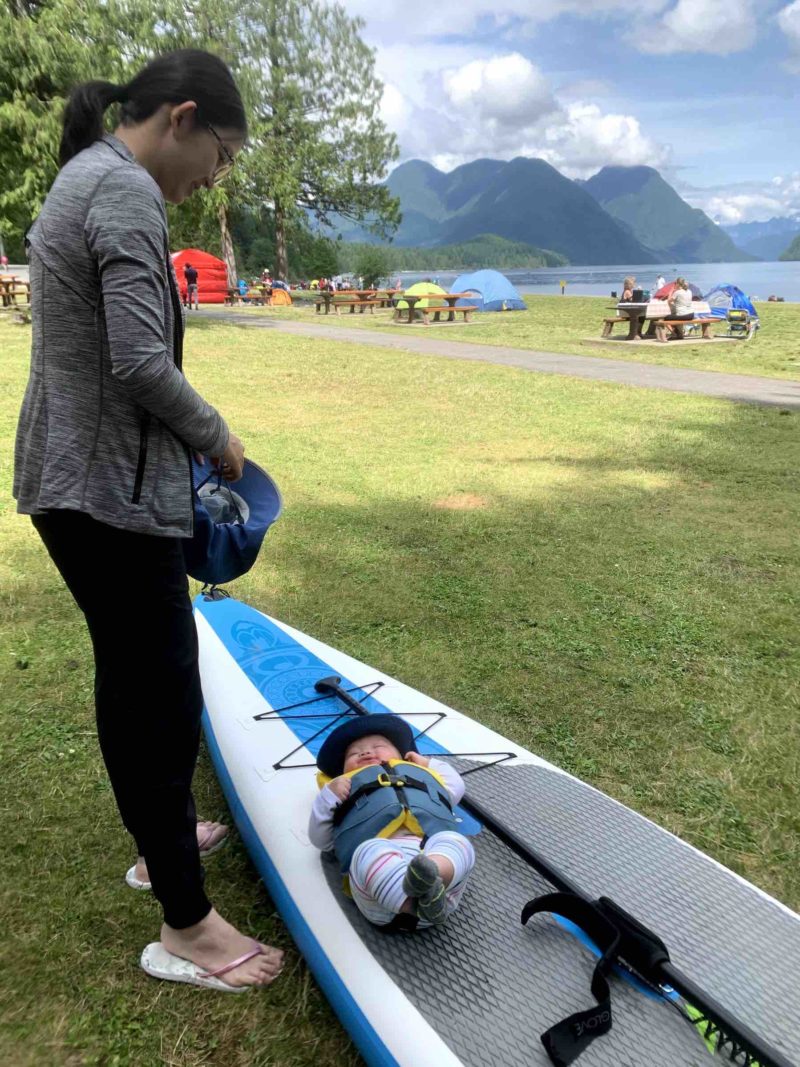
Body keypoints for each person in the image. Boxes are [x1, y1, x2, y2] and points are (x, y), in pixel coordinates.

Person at [13, 48, 283, 993]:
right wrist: (218, 434)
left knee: (138, 676)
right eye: (221, 152)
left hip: (81, 480)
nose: (218, 176)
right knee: (158, 684)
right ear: (181, 117)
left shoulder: (85, 175)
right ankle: (186, 923)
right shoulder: (123, 191)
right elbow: (138, 360)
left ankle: (157, 844)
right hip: (106, 491)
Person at [308, 714, 475, 929]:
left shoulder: (424, 777)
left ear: (404, 757)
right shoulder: (342, 791)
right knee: (369, 850)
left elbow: (456, 786)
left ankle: (433, 875)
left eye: (378, 746)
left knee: (454, 841)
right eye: (354, 753)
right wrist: (327, 797)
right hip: (379, 898)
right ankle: (413, 903)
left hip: (443, 891)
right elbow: (321, 841)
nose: (366, 752)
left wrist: (429, 764)